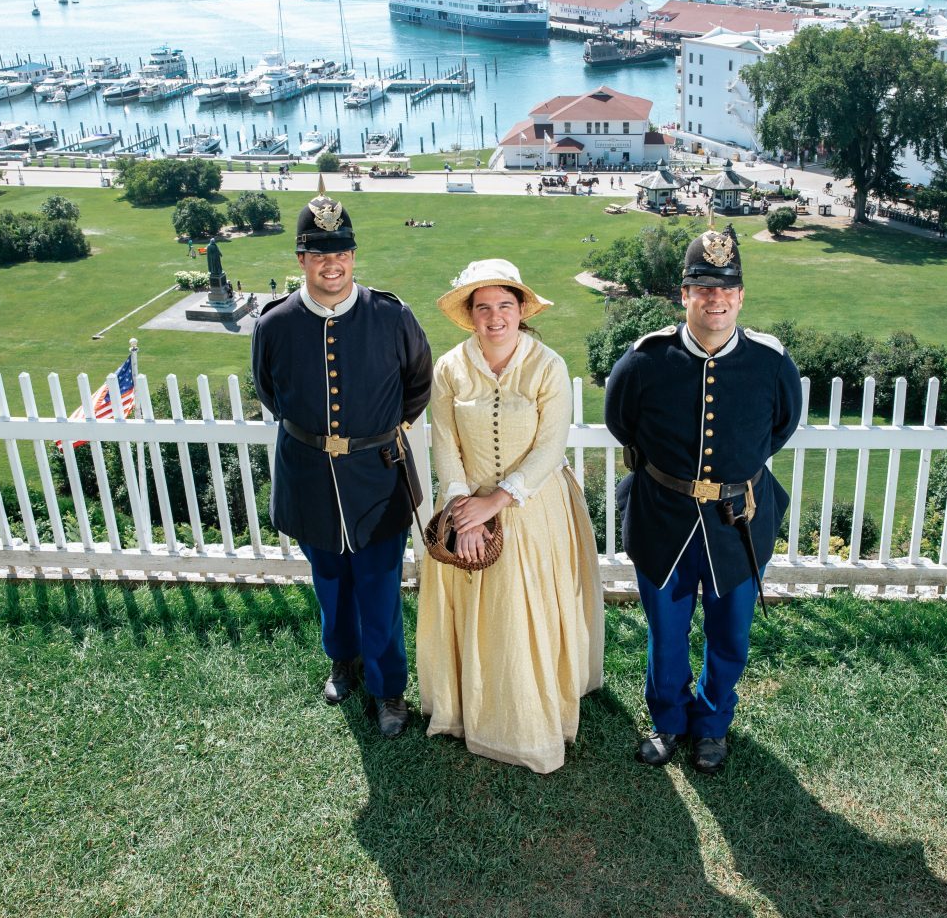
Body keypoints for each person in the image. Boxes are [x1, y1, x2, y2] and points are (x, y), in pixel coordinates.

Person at [605, 227, 802, 775]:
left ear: (740, 296)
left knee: (730, 636)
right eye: (702, 286)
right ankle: (668, 720)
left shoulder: (771, 363)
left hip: (737, 523)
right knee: (666, 637)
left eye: (727, 287)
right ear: (683, 294)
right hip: (662, 517)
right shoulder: (646, 359)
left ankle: (713, 725)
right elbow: (621, 421)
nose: (715, 298)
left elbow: (780, 428)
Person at [251, 183, 433, 738]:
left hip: (376, 475)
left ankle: (388, 689)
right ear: (302, 259)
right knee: (329, 580)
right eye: (321, 254)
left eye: (343, 253)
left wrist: (382, 435)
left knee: (379, 586)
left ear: (354, 256)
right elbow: (270, 394)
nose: (333, 264)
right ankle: (342, 659)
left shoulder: (391, 316)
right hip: (307, 475)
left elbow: (418, 383)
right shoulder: (274, 324)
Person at [417, 259, 604, 773]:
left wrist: (496, 503)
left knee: (526, 611)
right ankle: (469, 709)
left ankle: (526, 717)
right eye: (483, 308)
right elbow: (445, 442)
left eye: (505, 305)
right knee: (474, 608)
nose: (495, 317)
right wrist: (463, 513)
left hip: (533, 505)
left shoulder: (548, 366)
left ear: (521, 310)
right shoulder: (450, 369)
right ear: (470, 315)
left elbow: (549, 449)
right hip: (464, 502)